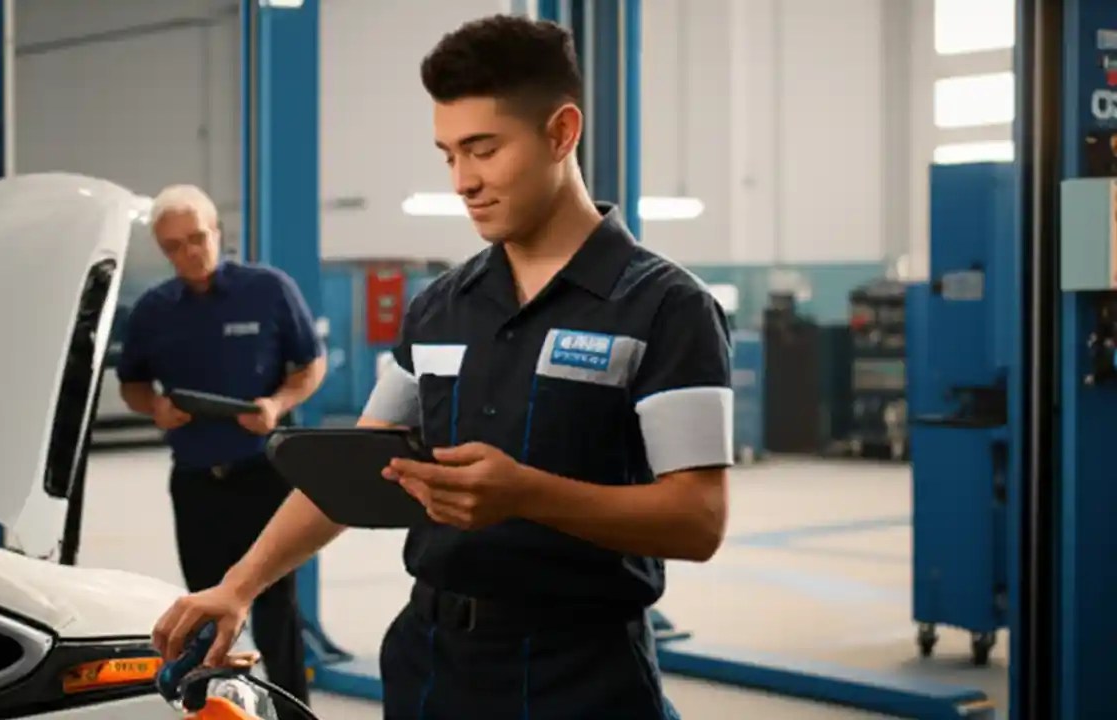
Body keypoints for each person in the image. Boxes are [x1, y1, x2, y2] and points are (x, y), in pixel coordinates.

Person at [152, 16, 731, 719]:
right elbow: (353, 470)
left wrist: (525, 494)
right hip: (431, 663)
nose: (463, 181)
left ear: (561, 132)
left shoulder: (667, 309)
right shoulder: (439, 308)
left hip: (577, 673)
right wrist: (239, 585)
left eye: (483, 150)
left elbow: (697, 519)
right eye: (448, 154)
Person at [117, 183, 325, 716]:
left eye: (197, 238)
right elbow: (133, 385)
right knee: (205, 609)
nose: (188, 252)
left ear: (218, 232)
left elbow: (310, 365)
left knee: (277, 608)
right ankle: (215, 707)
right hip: (195, 482)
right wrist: (156, 408)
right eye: (173, 246)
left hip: (264, 476)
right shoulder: (153, 310)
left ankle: (292, 711)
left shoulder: (270, 290)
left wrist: (278, 404)